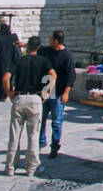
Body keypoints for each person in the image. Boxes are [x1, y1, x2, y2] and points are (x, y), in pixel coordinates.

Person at [4, 36, 56, 177]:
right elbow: (53, 75)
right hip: (35, 99)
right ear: (38, 47)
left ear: (27, 47)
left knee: (14, 135)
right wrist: (46, 93)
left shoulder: (19, 60)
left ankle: (10, 167)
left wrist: (9, 92)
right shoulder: (44, 61)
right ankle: (31, 168)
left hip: (19, 98)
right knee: (33, 135)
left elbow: (6, 77)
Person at [39, 30, 75, 158]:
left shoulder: (67, 56)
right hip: (45, 91)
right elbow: (35, 48)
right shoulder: (46, 51)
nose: (48, 41)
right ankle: (41, 141)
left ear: (56, 41)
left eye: (50, 39)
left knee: (56, 121)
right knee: (40, 119)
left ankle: (55, 146)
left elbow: (71, 76)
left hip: (58, 93)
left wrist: (66, 93)